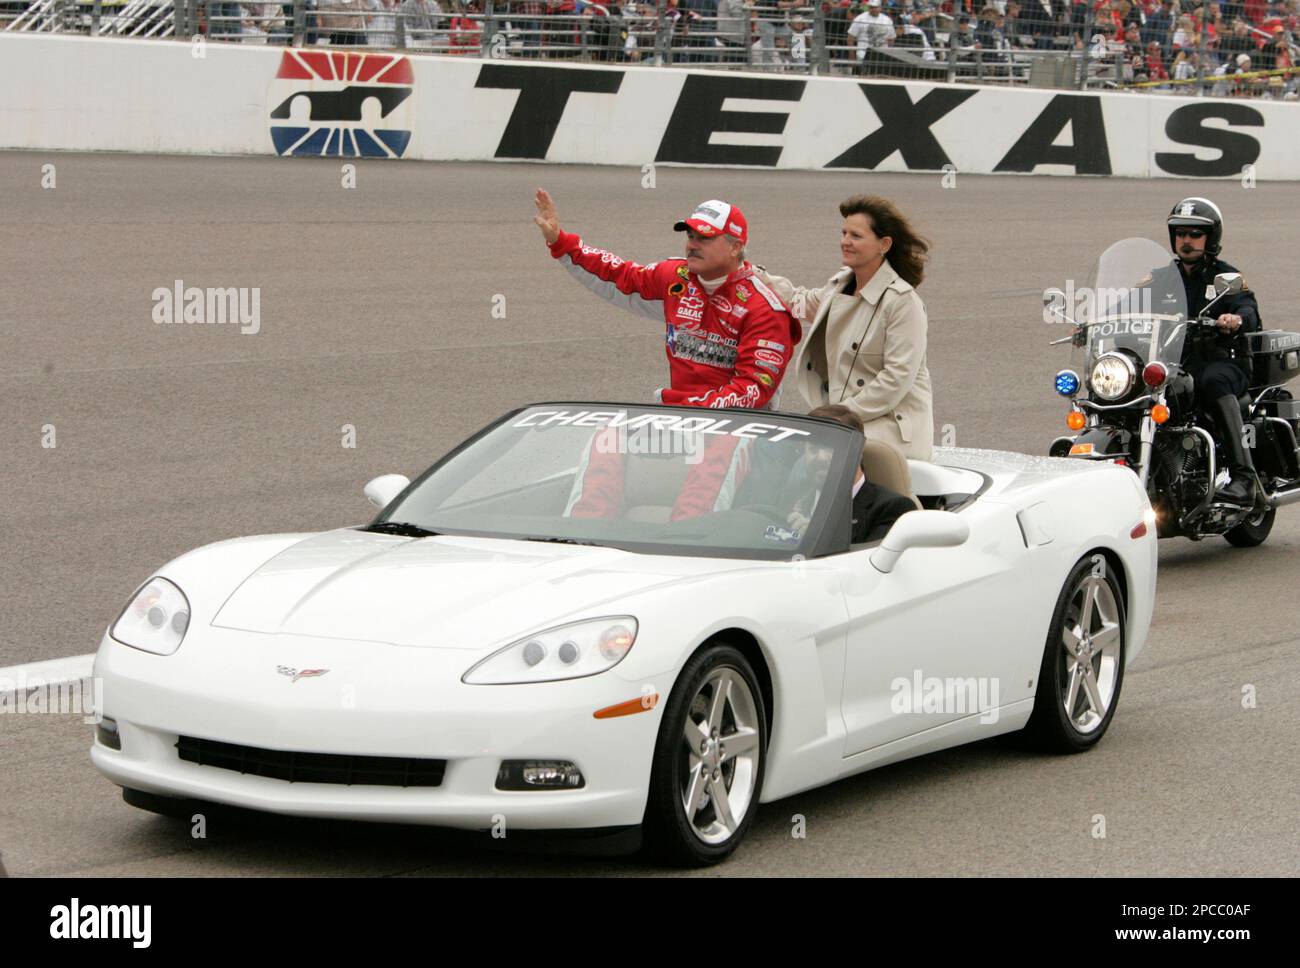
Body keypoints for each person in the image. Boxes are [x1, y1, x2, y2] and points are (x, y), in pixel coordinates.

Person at [534, 189, 801, 518]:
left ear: (735, 246)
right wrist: (562, 242)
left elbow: (754, 391)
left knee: (723, 448)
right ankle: (584, 533)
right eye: (690, 235)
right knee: (609, 436)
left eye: (704, 237)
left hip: (741, 430)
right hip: (676, 422)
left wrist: (689, 411)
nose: (692, 243)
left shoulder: (764, 308)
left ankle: (687, 539)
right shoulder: (677, 278)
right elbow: (619, 275)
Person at [759, 194, 934, 461]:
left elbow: (896, 379)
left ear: (884, 244)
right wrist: (753, 275)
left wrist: (840, 414)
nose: (845, 242)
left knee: (806, 461)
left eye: (856, 235)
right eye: (843, 233)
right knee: (777, 455)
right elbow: (800, 301)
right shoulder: (839, 286)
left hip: (889, 432)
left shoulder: (903, 303)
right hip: (844, 423)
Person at [1165, 197, 1263, 503]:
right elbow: (1126, 306)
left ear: (1211, 238)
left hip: (1224, 362)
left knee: (1211, 382)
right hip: (1177, 365)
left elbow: (1250, 311)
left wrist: (1235, 319)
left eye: (1195, 234)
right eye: (1181, 233)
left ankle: (1244, 478)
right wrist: (1091, 324)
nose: (1186, 240)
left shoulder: (1226, 278)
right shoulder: (1160, 277)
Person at [784, 404, 917, 543]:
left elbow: (868, 562)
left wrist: (815, 538)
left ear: (857, 452)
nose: (820, 457)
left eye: (830, 447)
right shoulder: (795, 500)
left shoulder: (893, 509)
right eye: (813, 449)